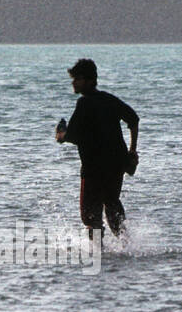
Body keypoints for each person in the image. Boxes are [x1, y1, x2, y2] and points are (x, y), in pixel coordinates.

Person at [54, 58, 140, 242]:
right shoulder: (109, 100)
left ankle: (98, 254)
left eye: (77, 78)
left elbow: (73, 136)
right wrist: (132, 151)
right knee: (111, 206)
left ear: (89, 80)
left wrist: (60, 135)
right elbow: (133, 119)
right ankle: (128, 246)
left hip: (93, 168)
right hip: (116, 164)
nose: (73, 83)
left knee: (91, 216)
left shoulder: (84, 104)